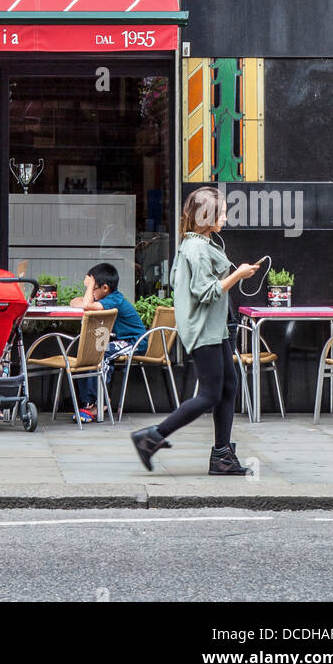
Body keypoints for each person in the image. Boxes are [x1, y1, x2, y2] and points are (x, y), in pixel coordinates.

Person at [130, 186, 260, 476]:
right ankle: (151, 437)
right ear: (206, 216)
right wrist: (237, 275)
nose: (226, 217)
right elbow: (204, 292)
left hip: (215, 329)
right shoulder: (197, 248)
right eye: (222, 213)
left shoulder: (199, 242)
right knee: (211, 394)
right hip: (204, 332)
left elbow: (184, 282)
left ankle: (222, 456)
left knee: (229, 386)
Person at [69, 263, 147, 423]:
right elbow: (76, 302)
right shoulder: (107, 298)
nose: (90, 292)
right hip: (119, 341)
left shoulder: (114, 299)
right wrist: (87, 295)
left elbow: (85, 306)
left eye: (93, 288)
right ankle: (90, 402)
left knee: (100, 353)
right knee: (88, 353)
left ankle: (101, 402)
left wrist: (88, 292)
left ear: (105, 288)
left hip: (134, 342)